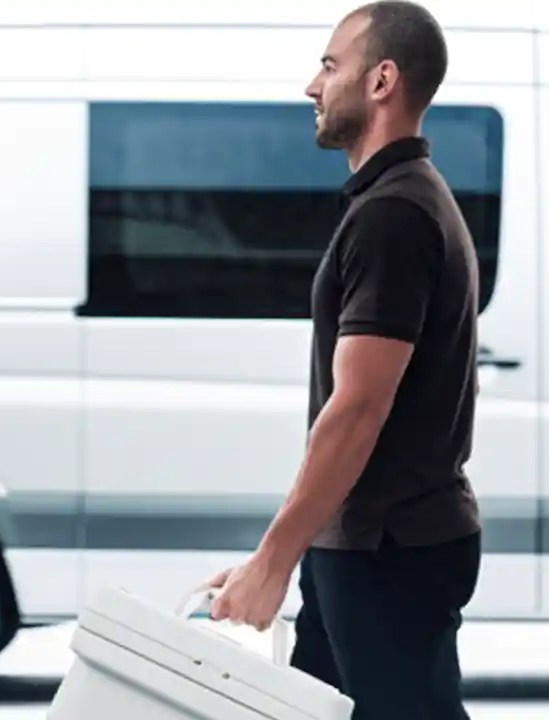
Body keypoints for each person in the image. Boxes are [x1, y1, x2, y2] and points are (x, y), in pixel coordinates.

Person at [205, 2, 483, 718]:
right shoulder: (390, 203)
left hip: (387, 550)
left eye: (330, 66)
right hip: (364, 544)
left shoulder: (395, 216)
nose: (312, 85)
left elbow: (359, 407)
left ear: (382, 79)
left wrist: (274, 560)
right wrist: (285, 554)